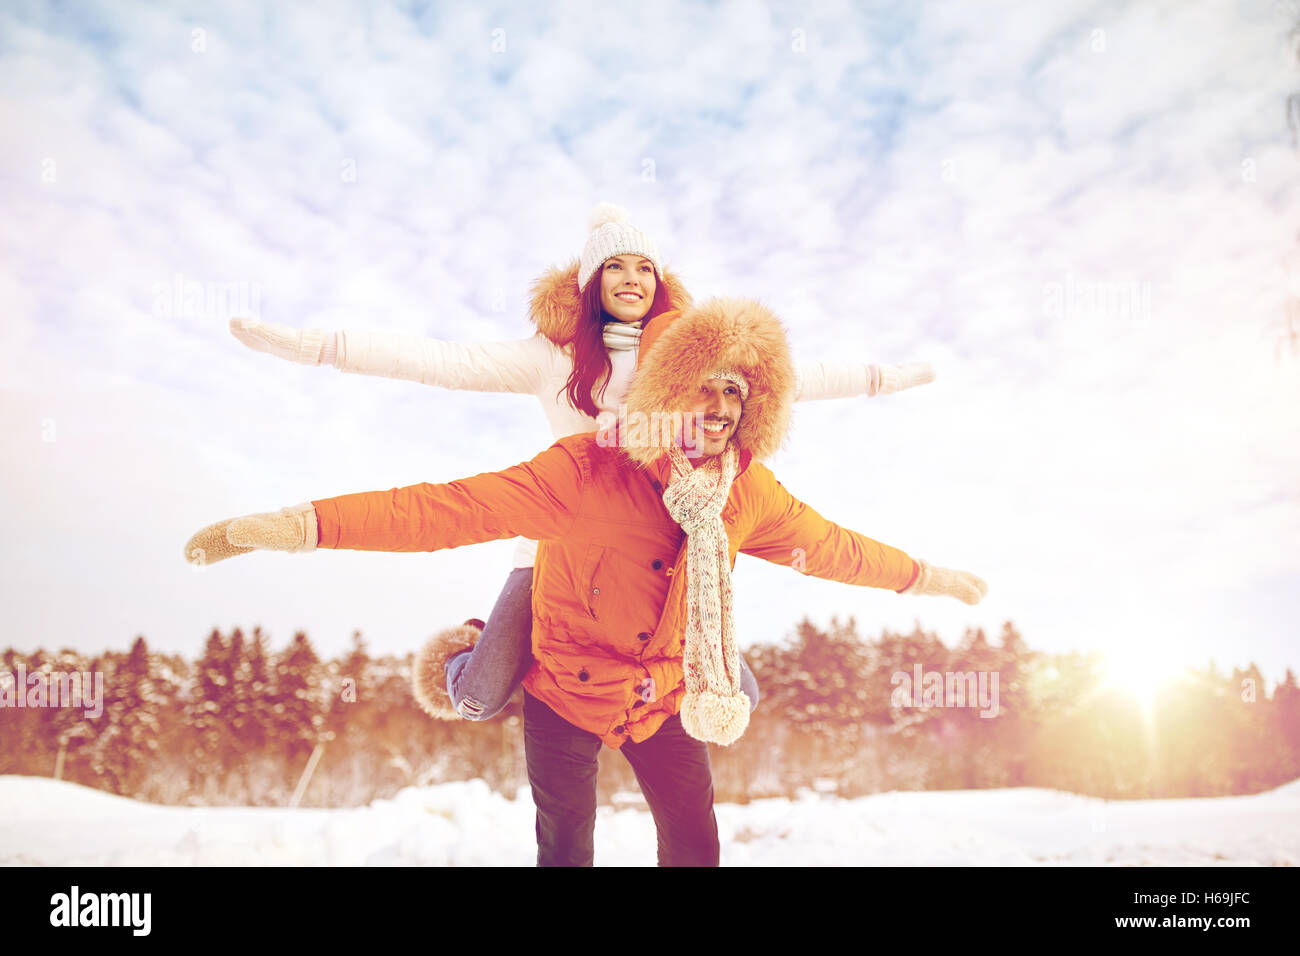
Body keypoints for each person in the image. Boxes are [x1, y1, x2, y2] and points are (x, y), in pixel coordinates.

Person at [185, 296, 986, 867]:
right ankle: (476, 650)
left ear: (757, 406)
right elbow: (446, 510)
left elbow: (836, 548)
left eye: (735, 391)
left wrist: (928, 578)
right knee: (566, 842)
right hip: (562, 688)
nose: (717, 407)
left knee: (695, 838)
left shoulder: (749, 493)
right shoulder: (584, 471)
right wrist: (296, 526)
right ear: (664, 391)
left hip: (666, 692)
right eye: (702, 385)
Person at [226, 204, 938, 724]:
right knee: (477, 698)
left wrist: (884, 378)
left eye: (644, 267)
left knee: (737, 697)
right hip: (561, 534)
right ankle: (475, 646)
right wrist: (317, 346)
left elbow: (793, 376)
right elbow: (439, 360)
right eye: (616, 266)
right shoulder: (553, 356)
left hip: (666, 548)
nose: (631, 277)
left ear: (660, 281)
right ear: (593, 281)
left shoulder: (688, 350)